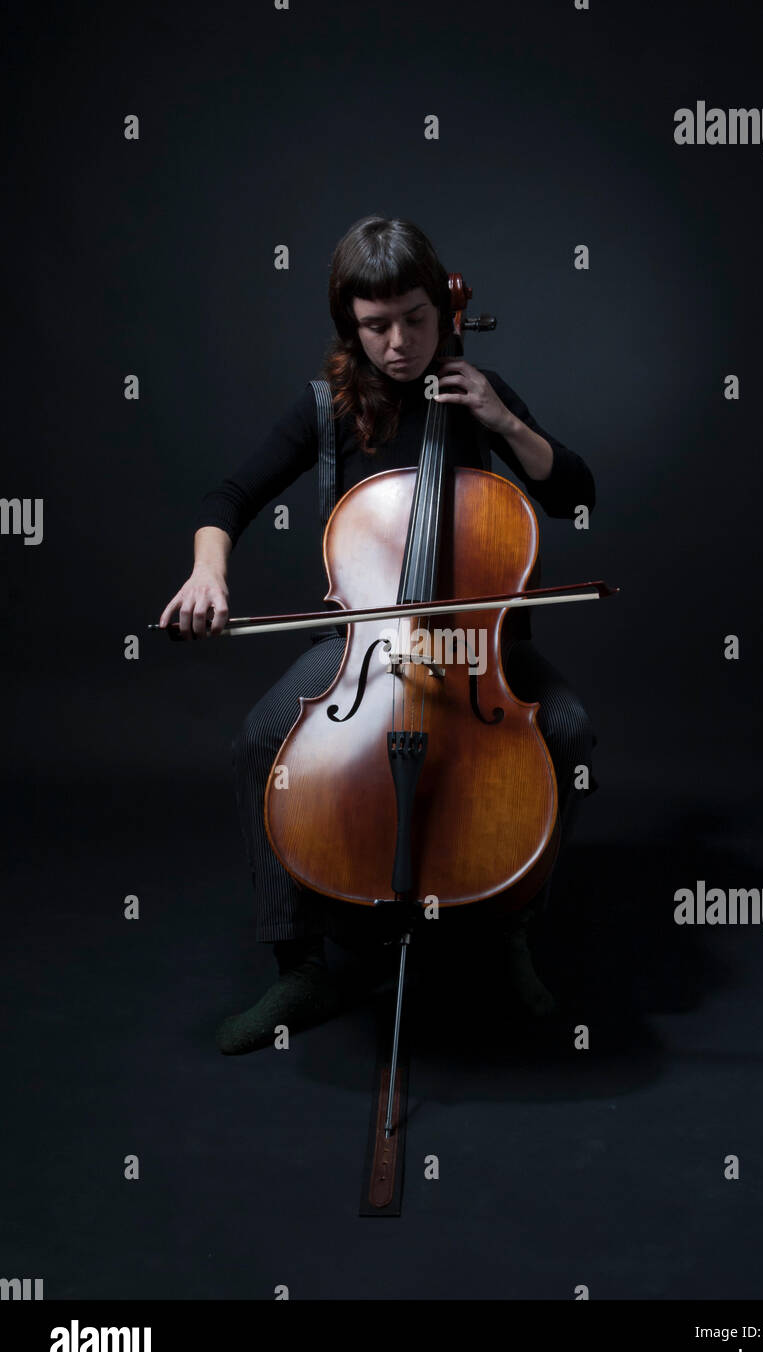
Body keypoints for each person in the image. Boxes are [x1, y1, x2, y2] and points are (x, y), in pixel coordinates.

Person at [159, 214, 597, 1054]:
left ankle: (510, 928)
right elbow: (227, 498)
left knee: (571, 734)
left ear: (444, 310)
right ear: (349, 325)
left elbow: (575, 497)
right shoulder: (327, 409)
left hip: (482, 649)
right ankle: (302, 964)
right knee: (261, 739)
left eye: (417, 319)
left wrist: (504, 424)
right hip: (364, 649)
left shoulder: (486, 394)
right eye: (376, 325)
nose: (399, 343)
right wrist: (208, 572)